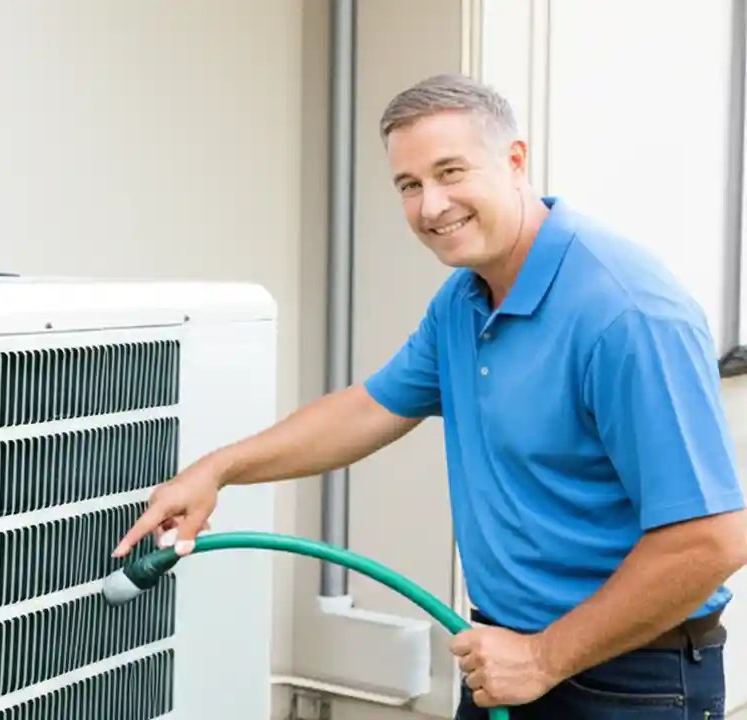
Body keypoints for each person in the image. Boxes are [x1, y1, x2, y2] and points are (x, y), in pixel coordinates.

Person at [112, 73, 747, 719]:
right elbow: (370, 408)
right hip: (503, 656)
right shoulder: (465, 300)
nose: (431, 206)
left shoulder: (625, 313)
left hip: (629, 680)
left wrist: (544, 659)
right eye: (409, 186)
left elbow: (711, 539)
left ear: (515, 161)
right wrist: (218, 469)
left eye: (451, 173)